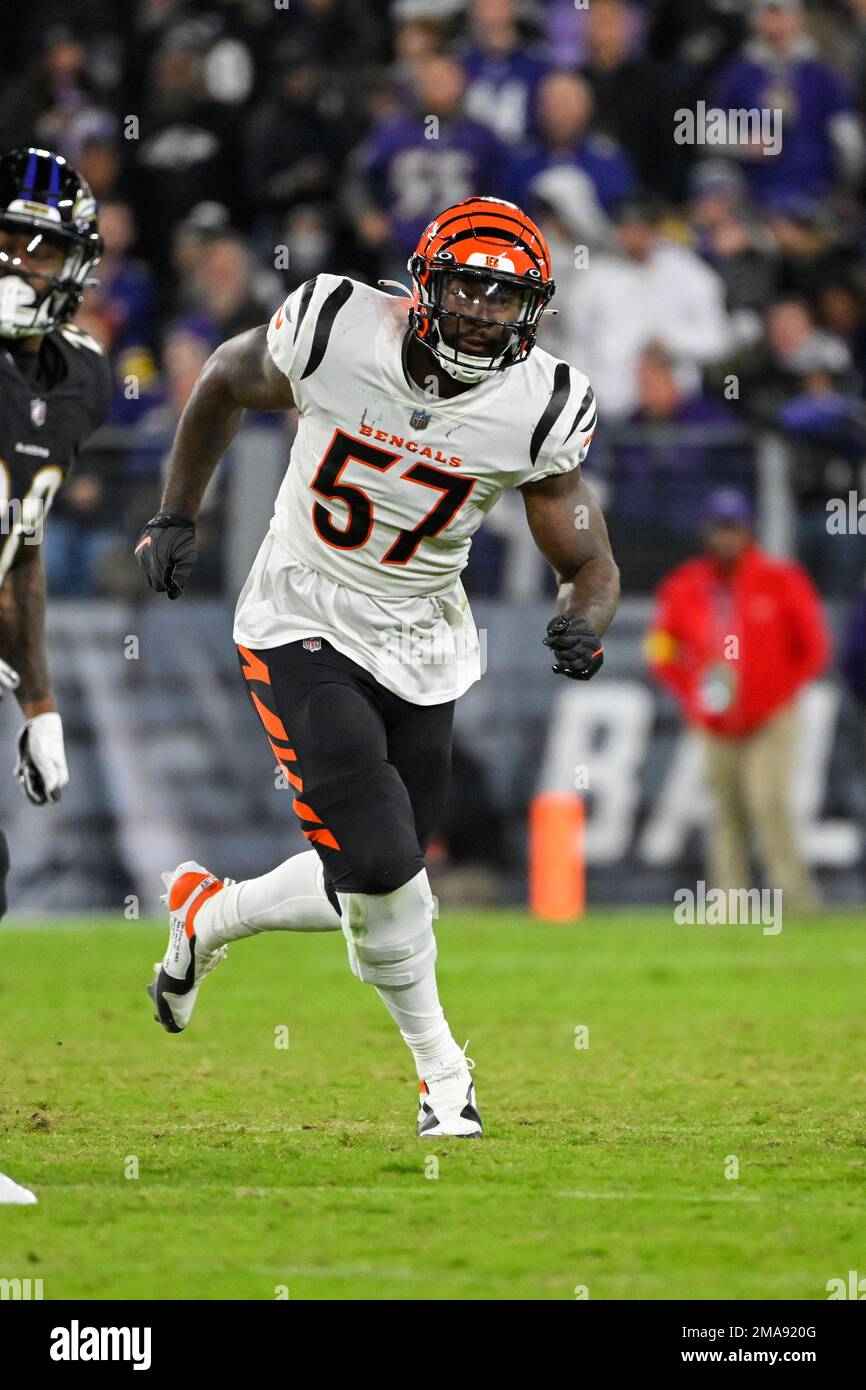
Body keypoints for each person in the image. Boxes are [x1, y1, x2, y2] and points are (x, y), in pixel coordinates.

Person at [135, 196, 619, 1139]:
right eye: (469, 286)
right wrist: (175, 512)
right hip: (300, 611)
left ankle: (209, 914)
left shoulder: (540, 406)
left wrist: (585, 621)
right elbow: (224, 384)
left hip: (424, 641)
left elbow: (587, 559)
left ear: (537, 307)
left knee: (375, 876)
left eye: (507, 295)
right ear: (425, 285)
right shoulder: (334, 327)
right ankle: (446, 1077)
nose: (484, 309)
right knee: (388, 864)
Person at [0, 146, 112, 918]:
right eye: (4, 240)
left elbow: (22, 549)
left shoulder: (80, 381)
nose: (17, 263)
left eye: (42, 249)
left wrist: (39, 704)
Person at [646, 488, 829, 912]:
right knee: (726, 811)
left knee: (768, 801)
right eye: (719, 528)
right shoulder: (686, 585)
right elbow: (661, 648)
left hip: (771, 716)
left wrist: (777, 696)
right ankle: (730, 902)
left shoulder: (780, 580)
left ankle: (795, 898)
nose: (726, 538)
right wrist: (691, 692)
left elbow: (813, 649)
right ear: (707, 532)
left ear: (748, 531)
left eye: (733, 528)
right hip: (715, 719)